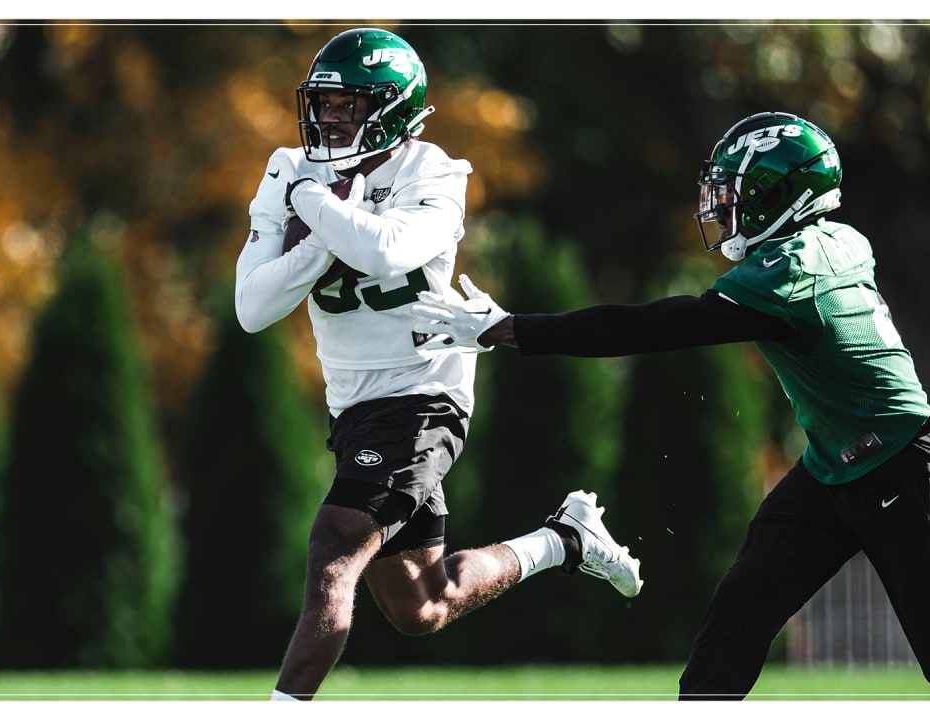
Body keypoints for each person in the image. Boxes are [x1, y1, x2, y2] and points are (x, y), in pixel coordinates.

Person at [413, 111, 930, 698]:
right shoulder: (836, 240)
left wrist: (515, 330)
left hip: (906, 470)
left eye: (736, 191)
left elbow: (657, 328)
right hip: (832, 468)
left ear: (782, 196)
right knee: (738, 615)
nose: (720, 206)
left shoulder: (792, 273)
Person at [234, 28, 642, 701]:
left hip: (424, 395)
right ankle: (561, 541)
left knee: (335, 547)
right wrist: (317, 234)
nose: (329, 118)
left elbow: (386, 251)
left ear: (393, 109)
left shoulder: (434, 172)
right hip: (354, 405)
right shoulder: (290, 166)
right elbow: (253, 305)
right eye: (324, 104)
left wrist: (312, 205)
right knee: (419, 604)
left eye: (348, 105)